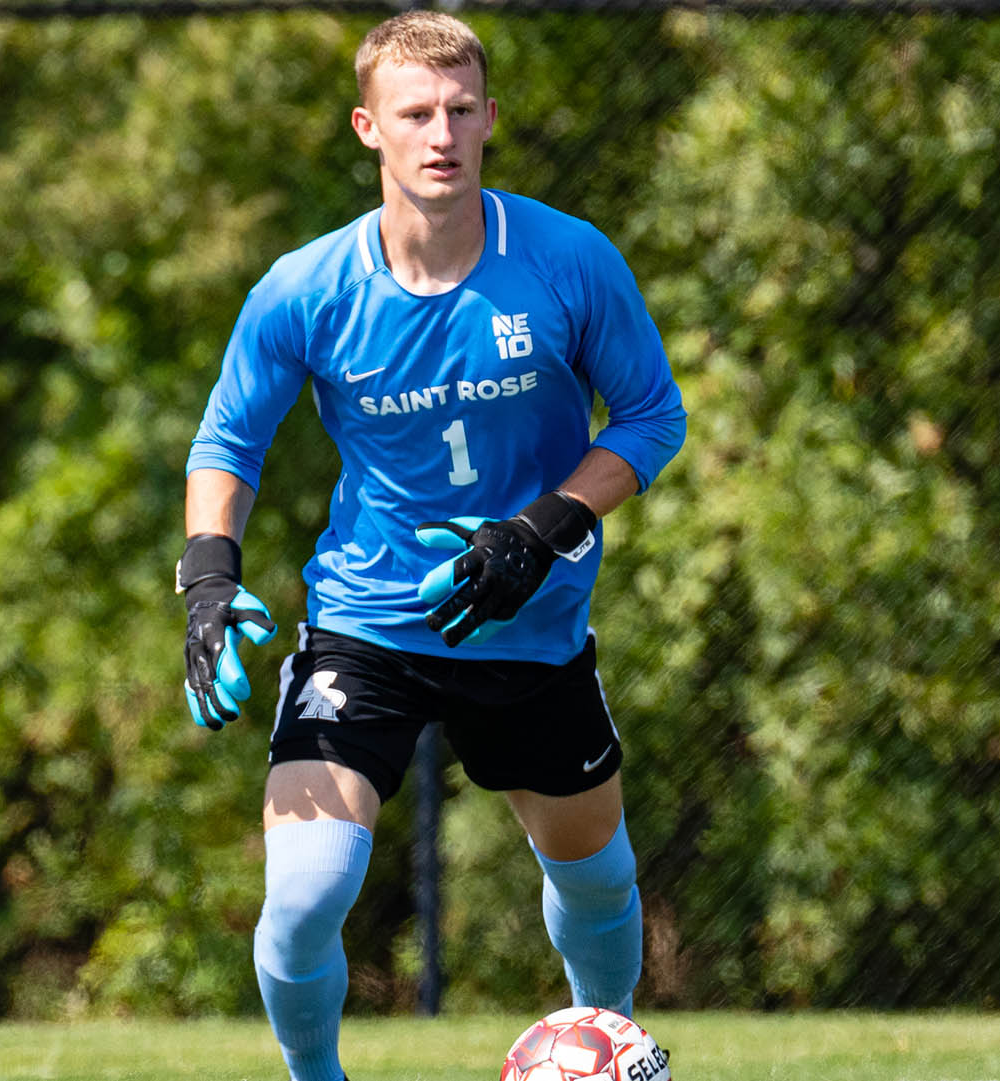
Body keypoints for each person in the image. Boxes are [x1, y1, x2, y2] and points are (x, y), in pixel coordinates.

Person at [178, 12, 686, 1080]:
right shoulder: (307, 289)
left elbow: (650, 420)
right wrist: (208, 580)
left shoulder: (566, 259)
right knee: (306, 893)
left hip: (530, 620)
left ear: (491, 118)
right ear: (370, 126)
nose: (441, 133)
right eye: (416, 113)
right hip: (367, 622)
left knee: (598, 879)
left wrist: (542, 531)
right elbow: (227, 441)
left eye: (461, 110)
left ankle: (610, 1047)